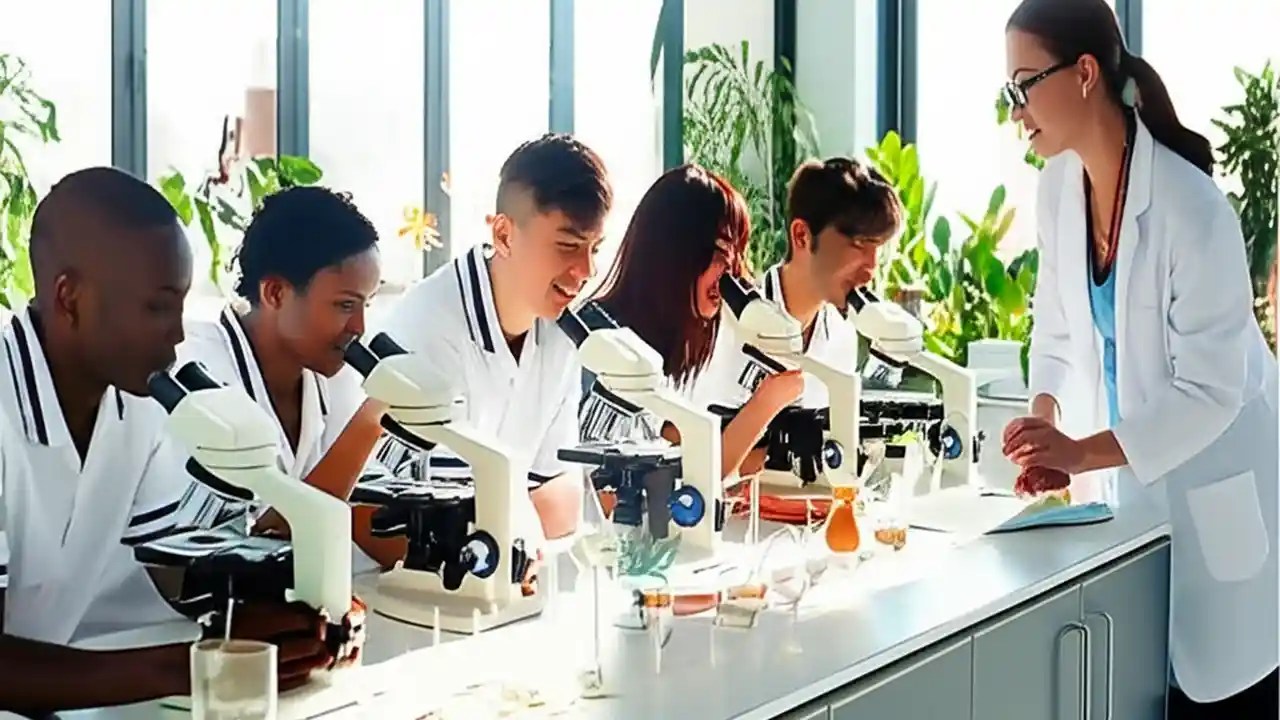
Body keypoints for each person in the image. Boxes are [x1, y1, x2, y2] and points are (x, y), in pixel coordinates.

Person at [999, 1, 1279, 716]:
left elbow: (1211, 393)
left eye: (1025, 85)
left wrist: (1080, 453)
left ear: (1085, 72)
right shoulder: (1059, 187)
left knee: (1220, 688)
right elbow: (1056, 325)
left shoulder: (1193, 209)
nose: (1017, 110)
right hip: (1137, 508)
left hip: (1220, 501)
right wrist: (1043, 429)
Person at [0, 167, 331, 713]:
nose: (177, 333)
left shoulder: (135, 401)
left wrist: (265, 626)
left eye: (180, 305)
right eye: (156, 307)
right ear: (70, 297)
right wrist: (185, 666)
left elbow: (174, 571)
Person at [372, 133, 613, 563]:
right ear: (504, 234)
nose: (586, 271)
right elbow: (426, 525)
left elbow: (564, 502)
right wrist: (513, 517)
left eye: (595, 248)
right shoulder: (428, 327)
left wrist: (509, 521)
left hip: (505, 579)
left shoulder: (561, 329)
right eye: (568, 245)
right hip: (397, 590)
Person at [174, 186, 399, 568]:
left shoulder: (335, 375)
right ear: (276, 292)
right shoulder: (195, 369)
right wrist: (372, 419)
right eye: (345, 305)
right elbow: (252, 548)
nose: (359, 327)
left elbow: (373, 526)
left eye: (366, 304)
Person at [577, 164, 803, 479]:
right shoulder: (602, 345)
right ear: (675, 252)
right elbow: (616, 497)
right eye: (721, 252)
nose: (732, 272)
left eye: (736, 253)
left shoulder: (668, 346)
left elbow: (705, 465)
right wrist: (768, 400)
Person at [690, 157, 903, 476]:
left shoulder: (841, 337)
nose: (871, 268)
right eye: (859, 244)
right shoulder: (724, 323)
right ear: (802, 236)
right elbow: (678, 447)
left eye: (879, 249)